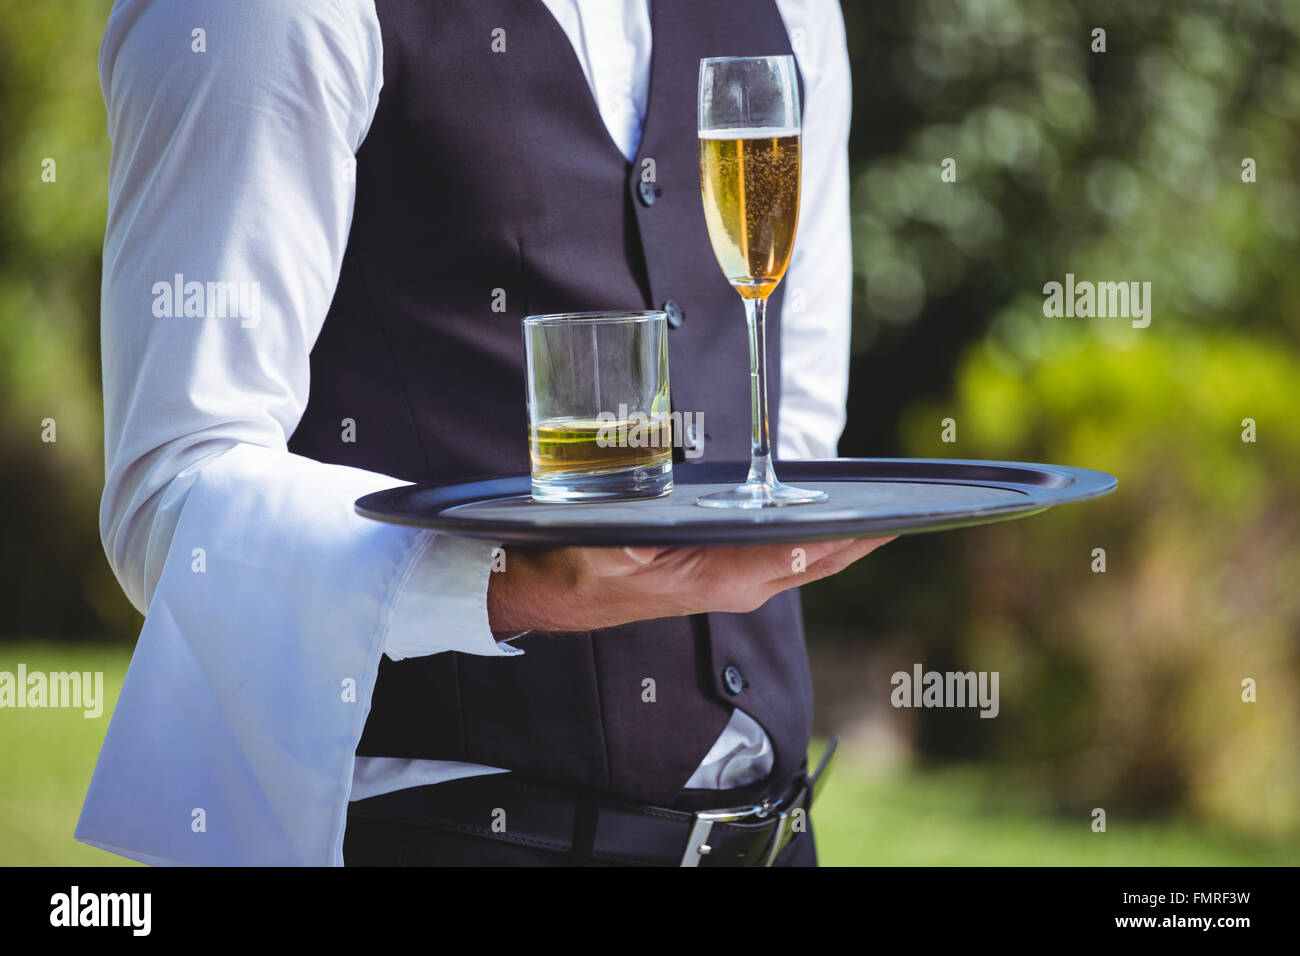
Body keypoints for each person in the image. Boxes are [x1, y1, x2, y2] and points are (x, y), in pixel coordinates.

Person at [78, 0, 888, 866]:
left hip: (778, 832)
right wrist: (509, 581)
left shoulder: (797, 12)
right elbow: (174, 495)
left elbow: (791, 426)